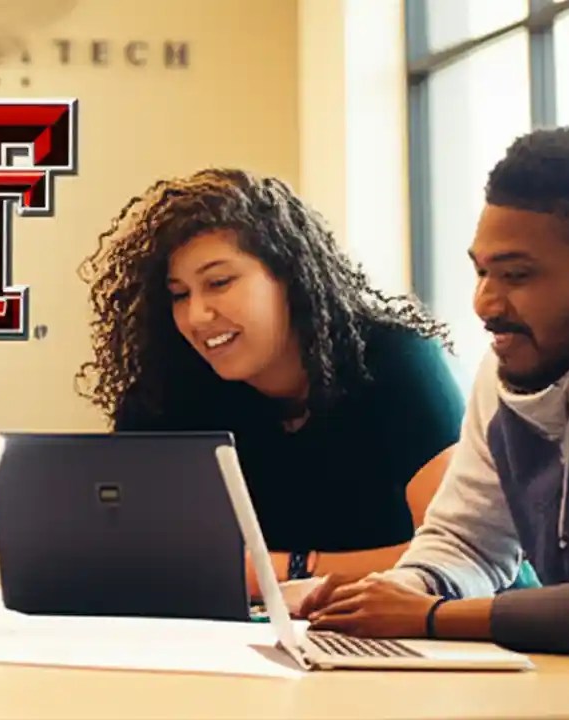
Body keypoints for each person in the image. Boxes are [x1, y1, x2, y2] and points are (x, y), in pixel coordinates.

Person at [300, 127, 569, 659]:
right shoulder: (513, 363)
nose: (485, 304)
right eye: (481, 271)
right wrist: (396, 592)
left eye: (517, 275)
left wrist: (432, 617)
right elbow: (466, 540)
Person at [76, 168, 465, 595]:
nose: (196, 316)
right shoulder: (168, 388)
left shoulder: (398, 361)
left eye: (219, 282)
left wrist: (285, 570)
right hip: (237, 633)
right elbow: (127, 555)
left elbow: (457, 559)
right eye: (179, 294)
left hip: (399, 627)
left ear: (289, 276)